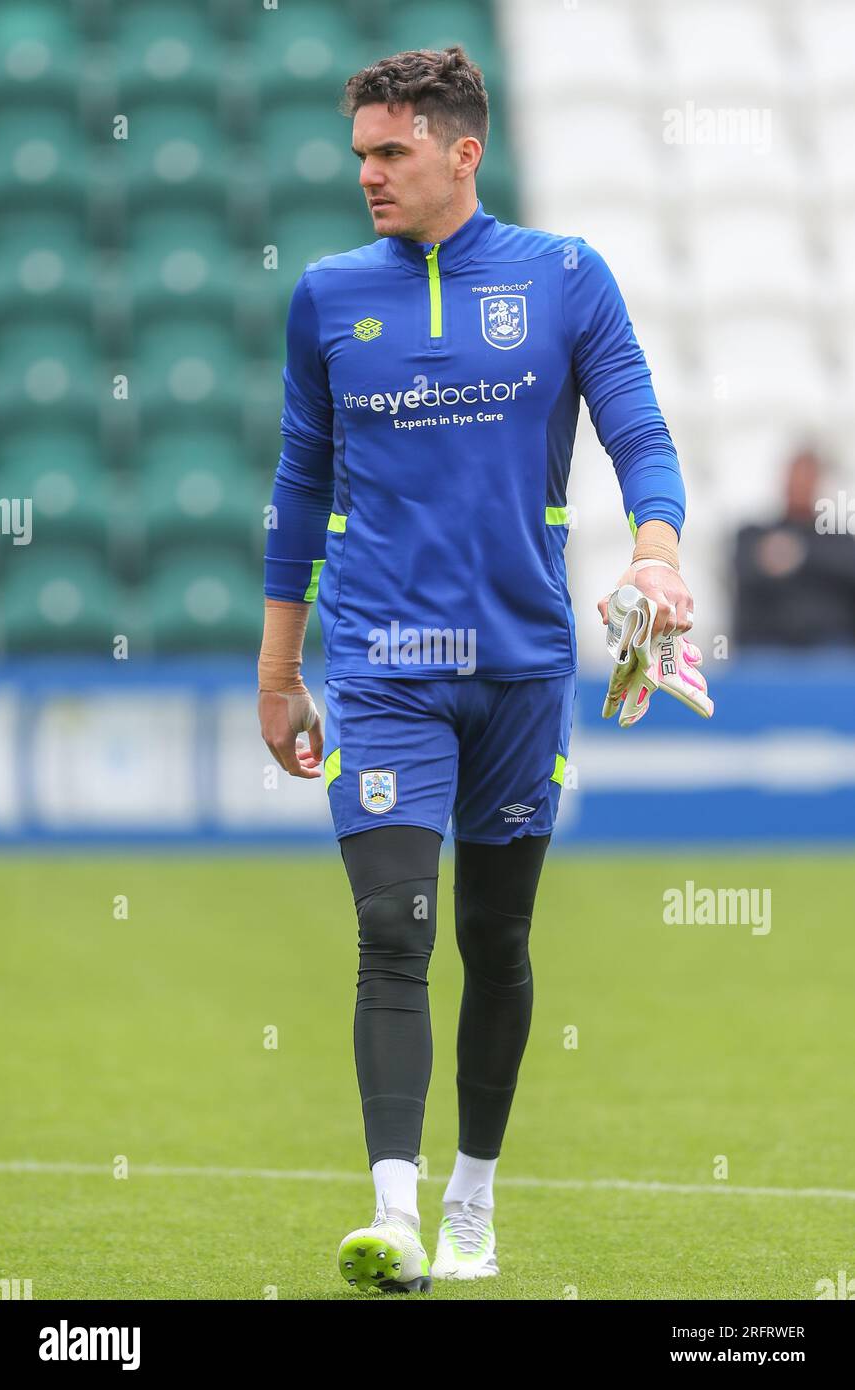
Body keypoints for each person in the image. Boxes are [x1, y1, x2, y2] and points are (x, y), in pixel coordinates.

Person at [258, 46, 693, 1293]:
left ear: (462, 150)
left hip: (517, 666)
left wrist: (656, 557)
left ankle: (471, 1199)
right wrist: (278, 668)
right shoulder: (328, 296)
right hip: (384, 663)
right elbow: (300, 487)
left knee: (496, 946)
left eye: (389, 153)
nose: (367, 178)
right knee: (392, 934)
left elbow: (638, 430)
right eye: (358, 155)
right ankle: (391, 1214)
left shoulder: (564, 280)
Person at [734, 448, 855, 647]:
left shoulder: (839, 539)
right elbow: (745, 571)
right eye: (796, 478)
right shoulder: (753, 535)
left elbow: (848, 569)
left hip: (832, 651)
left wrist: (800, 554)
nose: (800, 486)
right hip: (766, 650)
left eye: (808, 479)